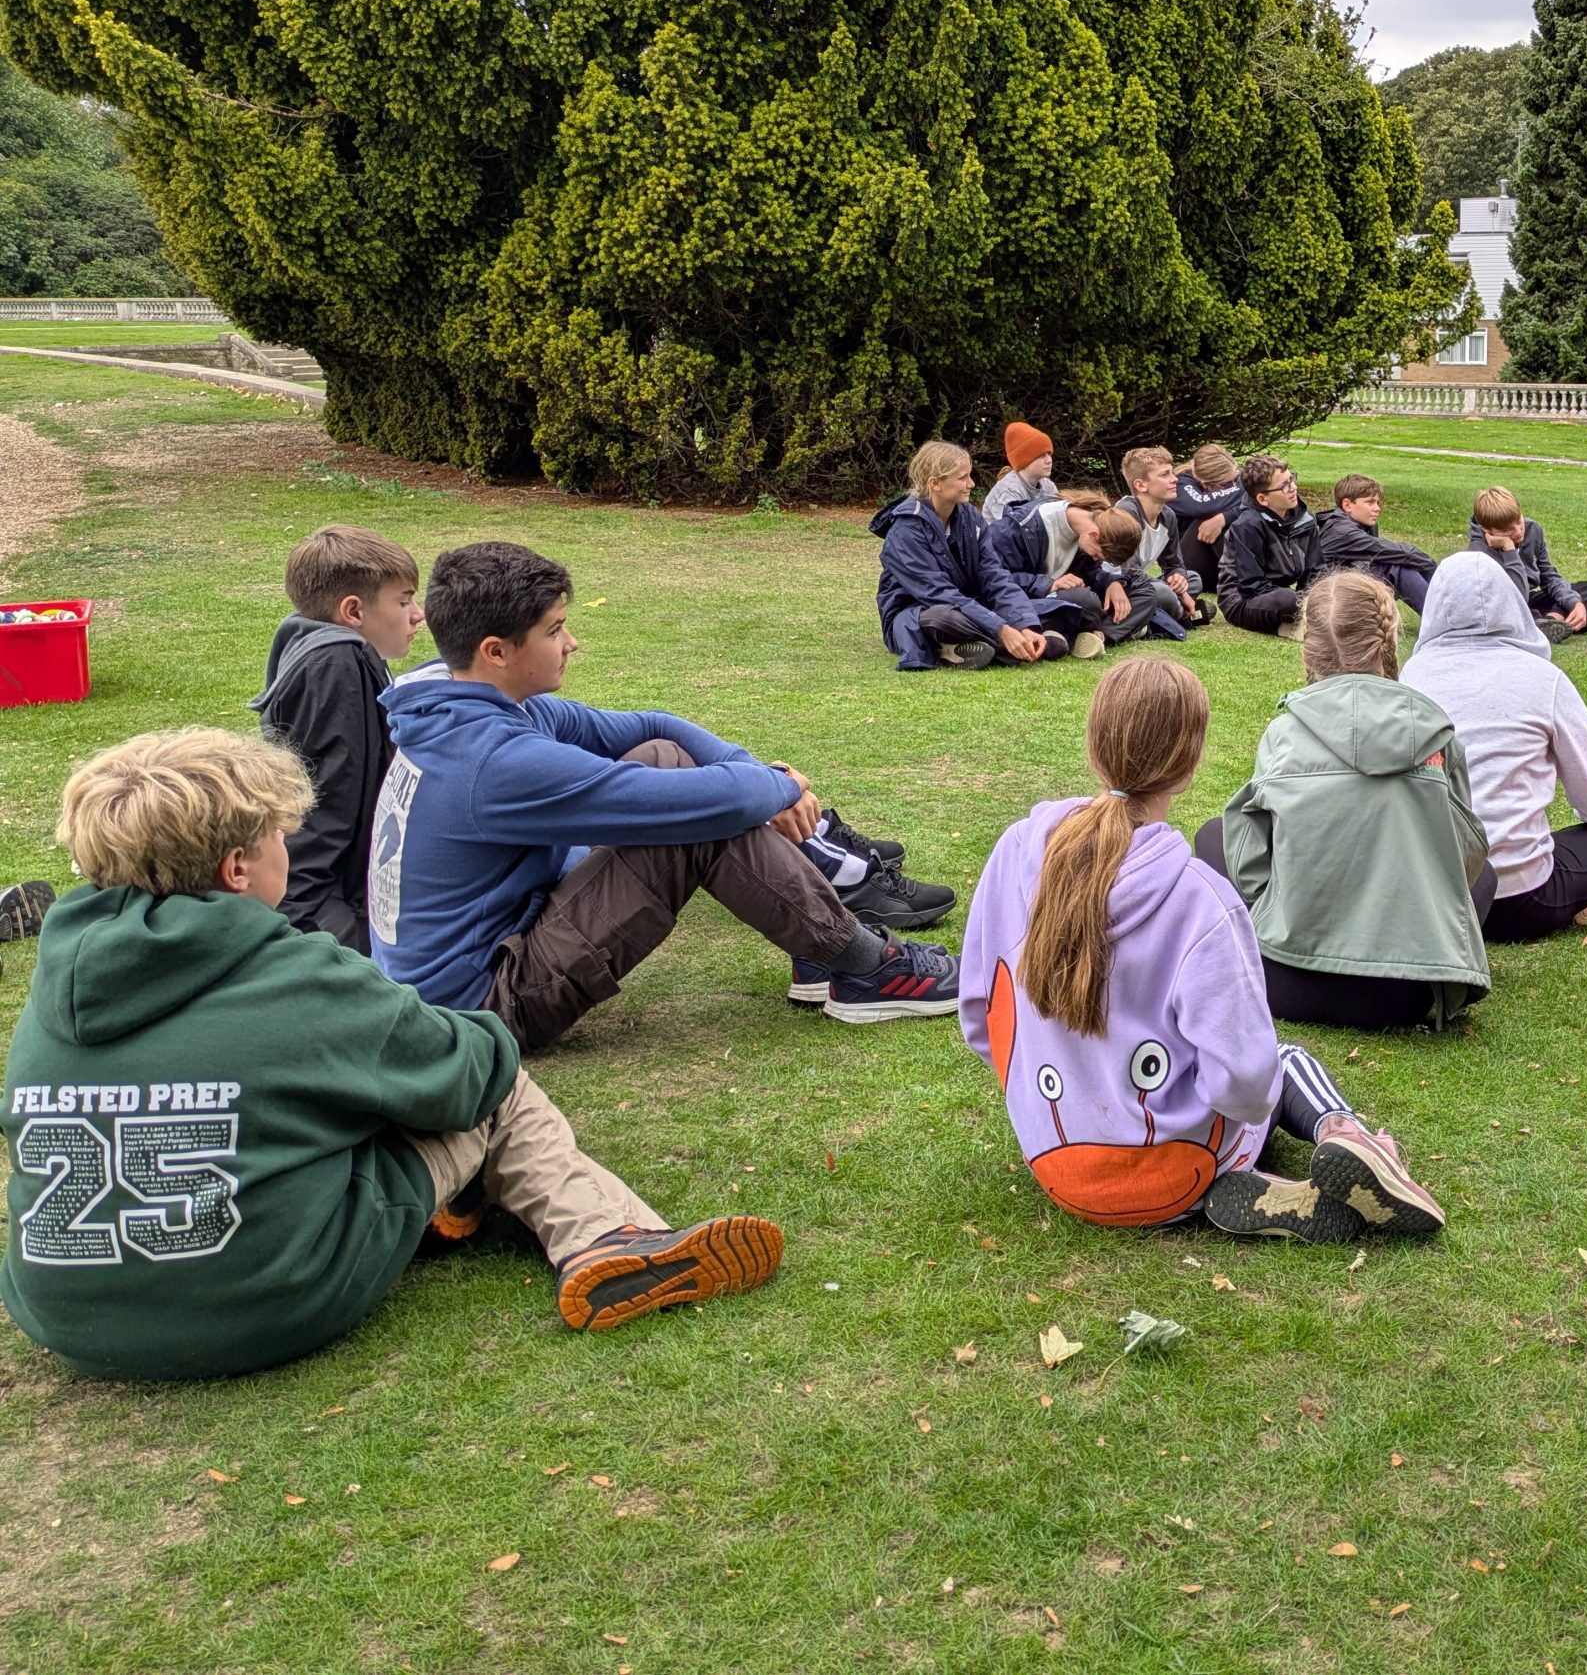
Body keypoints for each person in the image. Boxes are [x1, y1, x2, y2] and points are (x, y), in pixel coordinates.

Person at [0, 728, 784, 1380]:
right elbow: (469, 1068)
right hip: (267, 1304)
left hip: (66, 1318)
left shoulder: (57, 983)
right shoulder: (297, 974)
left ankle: (460, 1206)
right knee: (495, 1082)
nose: (288, 848)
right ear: (236, 868)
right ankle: (607, 1237)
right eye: (279, 835)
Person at [371, 540, 960, 1051]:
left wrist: (754, 773)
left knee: (666, 759)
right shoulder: (493, 759)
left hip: (484, 952)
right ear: (496, 651)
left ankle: (818, 947)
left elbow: (653, 727)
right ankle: (868, 969)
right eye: (553, 631)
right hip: (480, 1007)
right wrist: (780, 784)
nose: (572, 642)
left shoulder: (459, 698)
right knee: (696, 820)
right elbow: (717, 803)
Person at [959, 657, 1445, 1245]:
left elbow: (981, 1015)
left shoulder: (1016, 851)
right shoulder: (1200, 900)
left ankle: (1256, 1181)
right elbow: (1246, 1083)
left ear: (1094, 746)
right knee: (1285, 1059)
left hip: (1058, 1165)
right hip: (1181, 1170)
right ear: (1189, 766)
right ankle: (1352, 1136)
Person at [1194, 573, 1492, 1030]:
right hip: (1404, 992)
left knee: (1215, 835)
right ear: (1388, 638)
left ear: (1308, 645)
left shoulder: (1284, 734)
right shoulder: (1437, 734)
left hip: (1284, 977)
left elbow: (1250, 865)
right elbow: (1467, 857)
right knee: (1486, 876)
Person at [1404, 553, 1587, 942]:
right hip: (1520, 903)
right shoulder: (1543, 679)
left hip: (1433, 899)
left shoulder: (1410, 678)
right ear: (1511, 603)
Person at [245, 525, 427, 951]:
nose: (418, 614)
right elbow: (327, 802)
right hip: (324, 908)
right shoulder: (336, 665)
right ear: (353, 611)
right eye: (403, 601)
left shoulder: (325, 647)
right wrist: (333, 938)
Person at [870, 441, 1073, 670]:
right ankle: (1023, 645)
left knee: (1068, 604)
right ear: (935, 483)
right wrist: (1001, 629)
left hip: (969, 606)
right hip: (919, 614)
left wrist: (1025, 625)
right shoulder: (904, 531)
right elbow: (938, 594)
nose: (971, 483)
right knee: (944, 618)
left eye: (970, 475)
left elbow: (995, 576)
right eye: (962, 478)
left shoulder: (971, 518)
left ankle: (977, 647)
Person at [985, 490, 1150, 653]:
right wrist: (1048, 584)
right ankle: (1116, 628)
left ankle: (1098, 637)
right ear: (1094, 535)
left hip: (1066, 598)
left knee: (1144, 591)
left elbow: (1091, 571)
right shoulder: (1019, 527)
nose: (1096, 559)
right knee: (1086, 601)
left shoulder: (1089, 529)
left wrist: (1112, 583)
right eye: (1098, 555)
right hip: (1030, 599)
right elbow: (991, 578)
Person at [1467, 487, 1587, 640]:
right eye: (1506, 530)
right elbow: (1516, 597)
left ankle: (1550, 621)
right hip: (1505, 607)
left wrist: (1575, 603)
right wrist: (1509, 549)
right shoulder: (1478, 553)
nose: (1518, 532)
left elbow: (1549, 577)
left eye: (1518, 521)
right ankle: (1554, 622)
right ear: (1488, 530)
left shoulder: (1532, 530)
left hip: (1528, 601)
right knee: (1511, 615)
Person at [1109, 446, 1215, 631]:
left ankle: (1156, 615)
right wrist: (1181, 595)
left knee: (1193, 579)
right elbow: (1128, 571)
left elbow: (1173, 563)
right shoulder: (1126, 513)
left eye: (1171, 472)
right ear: (1141, 485)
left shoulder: (1167, 515)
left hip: (1140, 585)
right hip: (1116, 585)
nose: (1175, 479)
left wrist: (1178, 577)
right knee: (1163, 592)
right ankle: (1184, 616)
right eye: (1165, 474)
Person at [1217, 455, 1321, 639]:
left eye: (1292, 479)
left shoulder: (1305, 519)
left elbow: (1315, 570)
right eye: (1284, 486)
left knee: (1330, 593)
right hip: (1243, 600)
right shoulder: (1247, 525)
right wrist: (1304, 602)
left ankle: (1300, 621)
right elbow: (1251, 585)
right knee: (1288, 600)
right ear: (1263, 499)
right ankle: (1293, 625)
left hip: (1282, 593)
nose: (1293, 488)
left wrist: (1313, 596)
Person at [1313, 475, 1438, 614]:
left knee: (1400, 562)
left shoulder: (1365, 525)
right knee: (1397, 568)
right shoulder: (1341, 531)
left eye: (1378, 502)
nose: (1377, 508)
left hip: (1342, 587)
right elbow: (1399, 553)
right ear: (1347, 505)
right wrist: (1437, 569)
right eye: (1370, 502)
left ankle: (1443, 610)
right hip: (1324, 600)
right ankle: (1438, 617)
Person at [1170, 444, 1244, 582]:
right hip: (1186, 565)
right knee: (1207, 520)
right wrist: (1245, 489)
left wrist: (1225, 517)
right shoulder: (1181, 482)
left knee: (1239, 519)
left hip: (1218, 562)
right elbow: (1202, 506)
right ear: (1205, 483)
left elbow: (1255, 505)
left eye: (1236, 479)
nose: (1234, 486)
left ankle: (1254, 575)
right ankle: (1249, 577)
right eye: (1228, 484)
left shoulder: (1234, 483)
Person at [982, 423, 1060, 523]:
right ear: (1025, 460)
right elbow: (1015, 529)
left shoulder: (1047, 486)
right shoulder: (1007, 492)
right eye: (1042, 455)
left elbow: (1060, 518)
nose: (1049, 460)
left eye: (1049, 454)